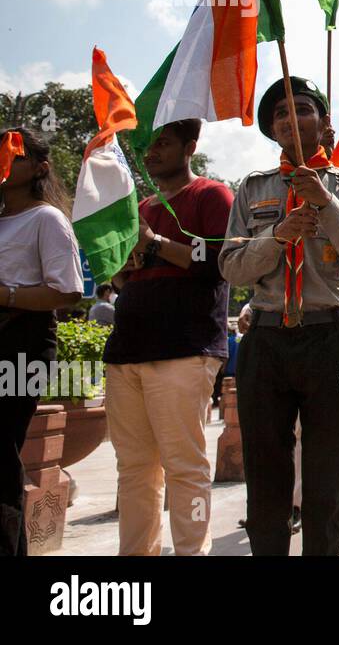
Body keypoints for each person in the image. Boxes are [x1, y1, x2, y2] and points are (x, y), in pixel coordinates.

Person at [218, 77, 339, 556]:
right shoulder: (253, 188)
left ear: (324, 123)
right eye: (281, 114)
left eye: (302, 109)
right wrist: (280, 235)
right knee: (266, 476)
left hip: (328, 339)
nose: (291, 119)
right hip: (266, 341)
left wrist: (325, 202)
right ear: (273, 129)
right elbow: (231, 265)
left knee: (328, 476)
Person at [104, 117, 234, 556]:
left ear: (189, 147)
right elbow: (123, 278)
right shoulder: (139, 208)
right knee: (134, 469)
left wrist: (156, 242)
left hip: (185, 348)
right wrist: (126, 263)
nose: (152, 152)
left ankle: (192, 552)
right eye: (148, 146)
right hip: (127, 349)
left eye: (163, 143)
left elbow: (218, 260)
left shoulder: (212, 194)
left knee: (184, 467)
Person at [0, 128, 83, 556]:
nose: (4, 160)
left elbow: (68, 292)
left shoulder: (46, 219)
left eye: (15, 154)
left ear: (39, 167)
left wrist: (8, 295)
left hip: (22, 345)